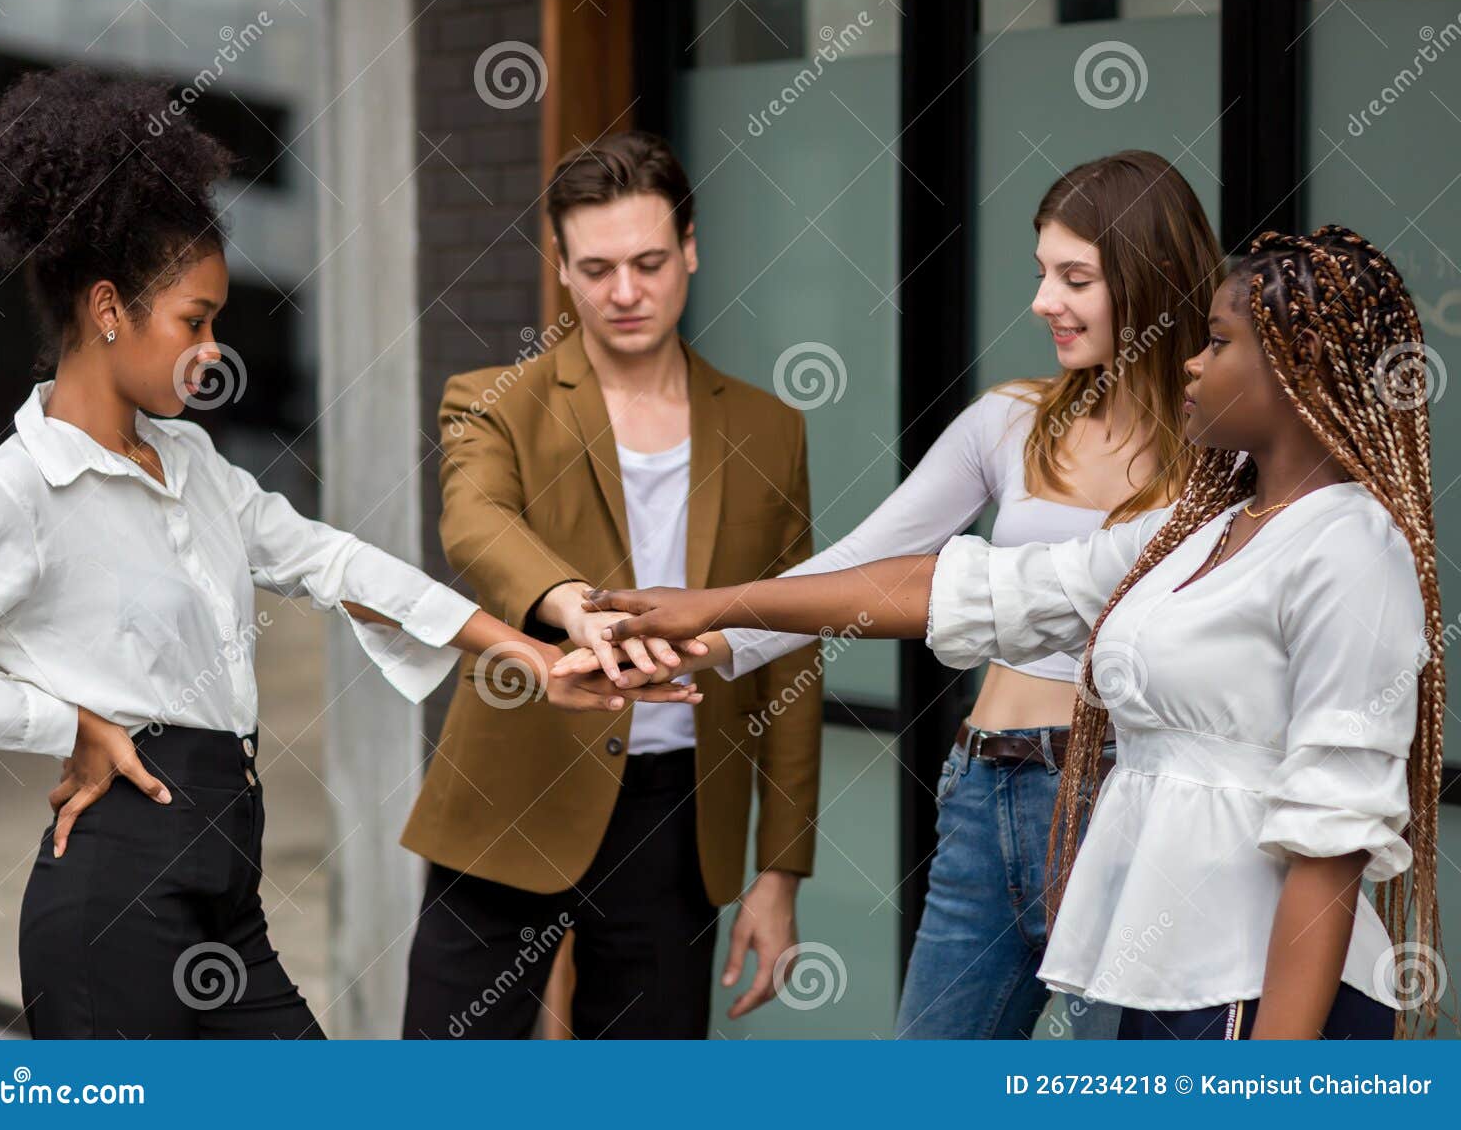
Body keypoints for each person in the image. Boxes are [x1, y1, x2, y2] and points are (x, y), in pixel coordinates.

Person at [0, 67, 697, 1040]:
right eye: (194, 320)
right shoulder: (19, 491)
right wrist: (63, 722)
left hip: (227, 888)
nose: (214, 347)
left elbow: (333, 563)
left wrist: (534, 654)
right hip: (110, 903)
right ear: (106, 310)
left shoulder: (193, 461)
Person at [569, 225, 1448, 1039]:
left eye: (1217, 343)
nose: (1190, 363)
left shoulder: (1351, 548)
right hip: (1163, 970)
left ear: (1298, 367)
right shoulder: (1197, 533)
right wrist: (714, 608)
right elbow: (962, 586)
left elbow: (1331, 849)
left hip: (1256, 990)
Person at [564, 150, 1224, 1039]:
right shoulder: (1012, 421)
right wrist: (703, 638)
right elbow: (862, 565)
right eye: (1041, 274)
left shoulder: (1227, 455)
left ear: (1152, 282)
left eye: (1076, 278)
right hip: (988, 791)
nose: (1042, 303)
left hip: (1134, 800)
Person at [400, 131, 823, 1039]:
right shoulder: (491, 398)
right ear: (559, 266)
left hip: (678, 823)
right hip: (510, 795)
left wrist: (780, 871)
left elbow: (792, 647)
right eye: (596, 268)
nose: (625, 292)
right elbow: (475, 524)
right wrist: (570, 609)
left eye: (649, 262)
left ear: (692, 251)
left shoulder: (770, 428)